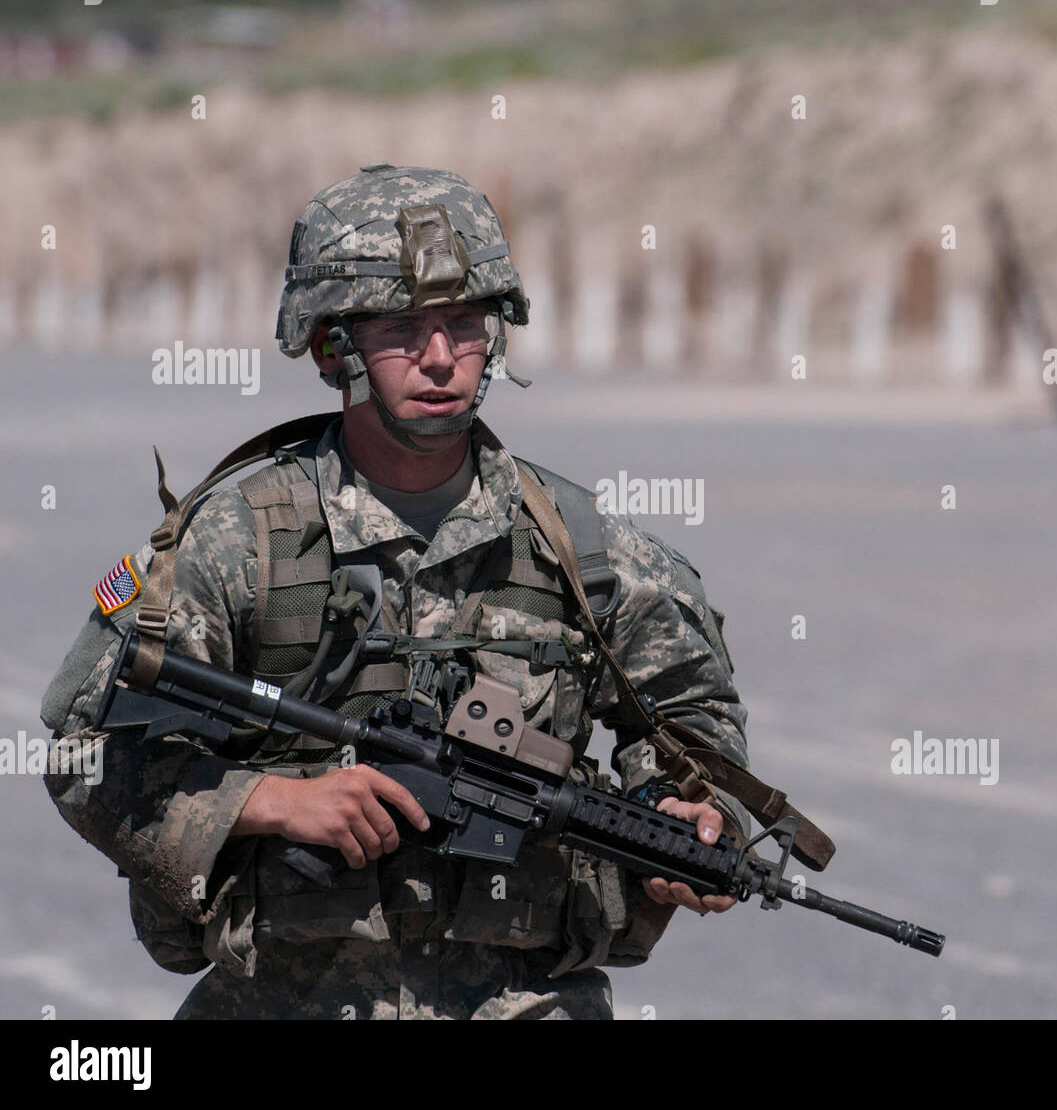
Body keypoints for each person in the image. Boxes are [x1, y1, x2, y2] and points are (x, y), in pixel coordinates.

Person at [40, 165, 754, 1020]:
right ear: (331, 346)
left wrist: (685, 812)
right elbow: (82, 748)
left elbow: (691, 725)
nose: (443, 356)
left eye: (465, 323)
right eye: (404, 329)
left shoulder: (585, 551)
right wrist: (273, 804)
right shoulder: (238, 541)